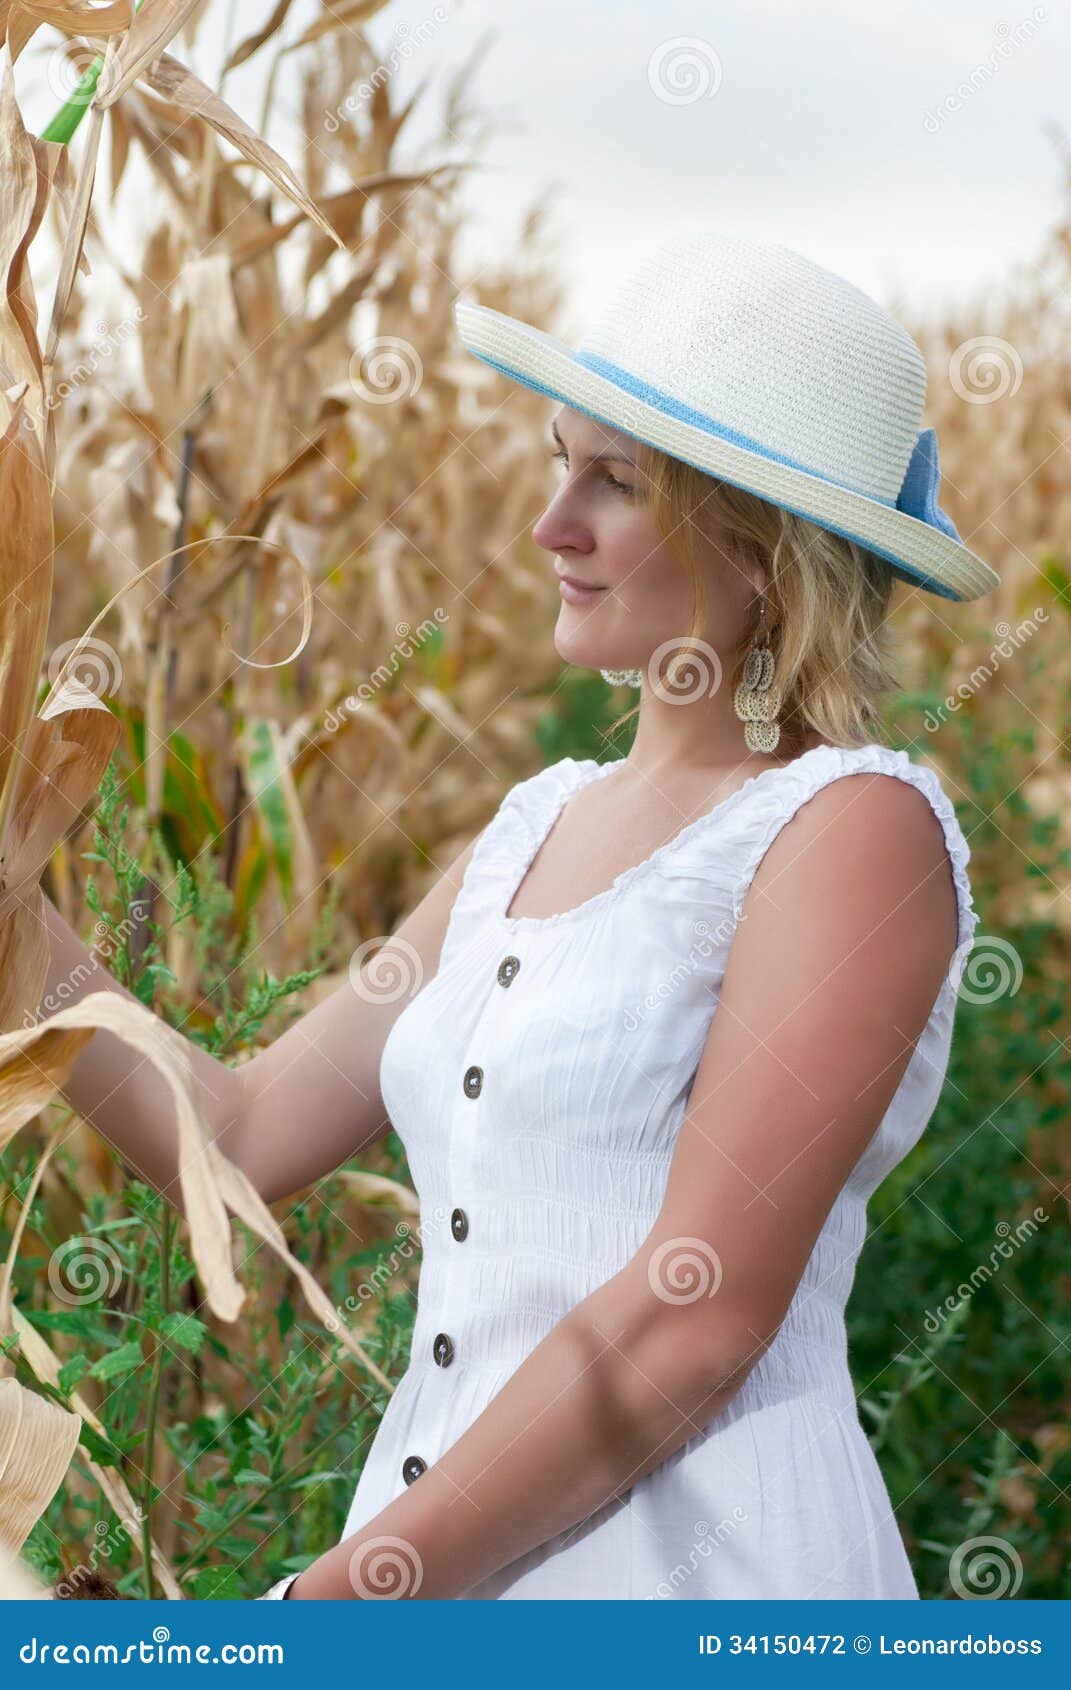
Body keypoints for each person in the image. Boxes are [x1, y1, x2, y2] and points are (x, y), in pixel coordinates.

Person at [39, 227, 998, 1601]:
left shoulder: (851, 828)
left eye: (615, 482)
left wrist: (344, 1597)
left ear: (761, 545)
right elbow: (240, 1133)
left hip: (702, 1587)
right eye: (562, 461)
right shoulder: (529, 827)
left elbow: (698, 1315)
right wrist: (21, 929)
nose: (552, 523)